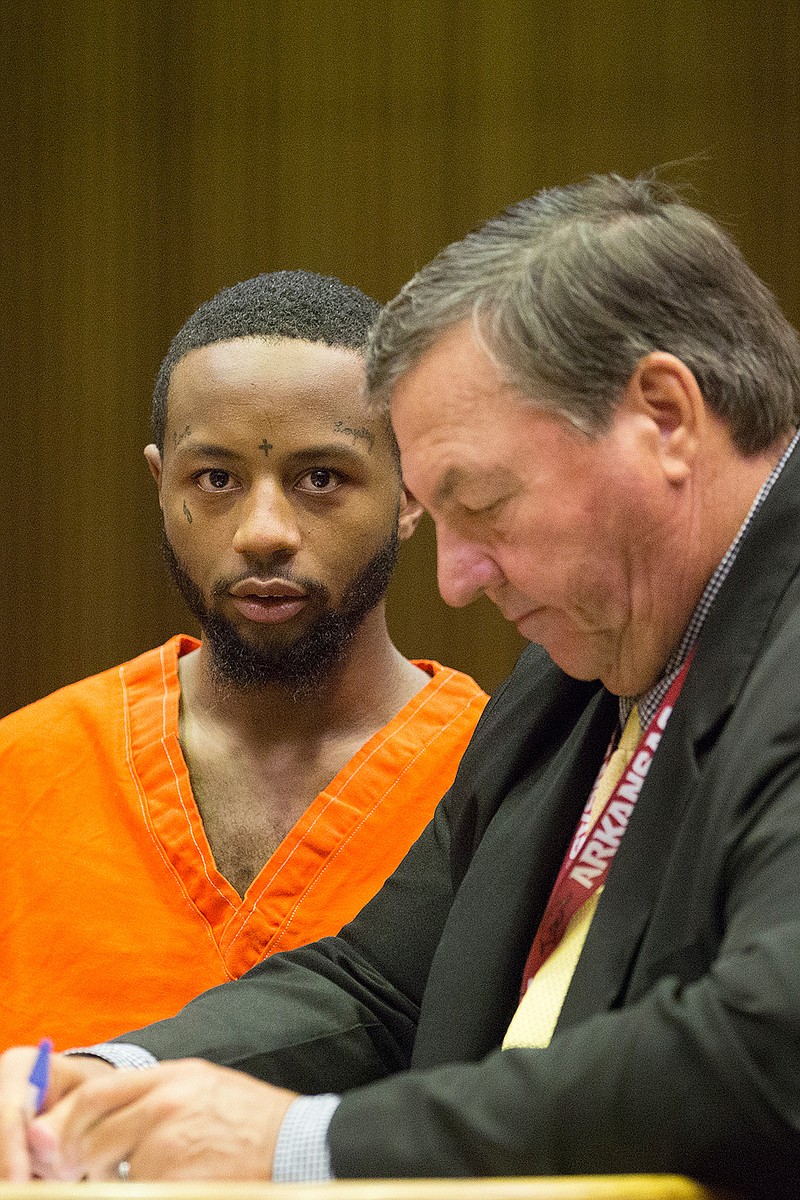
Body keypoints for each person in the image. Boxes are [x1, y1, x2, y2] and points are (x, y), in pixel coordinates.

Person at [3, 175, 800, 1198]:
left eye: (481, 504)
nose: (456, 579)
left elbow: (767, 1044)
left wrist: (309, 1147)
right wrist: (109, 1083)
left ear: (662, 416)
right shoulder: (574, 675)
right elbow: (376, 984)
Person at [0, 270, 488, 1050]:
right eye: (217, 479)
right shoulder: (21, 773)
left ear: (412, 492)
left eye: (320, 478)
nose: (264, 531)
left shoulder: (508, 782)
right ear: (162, 488)